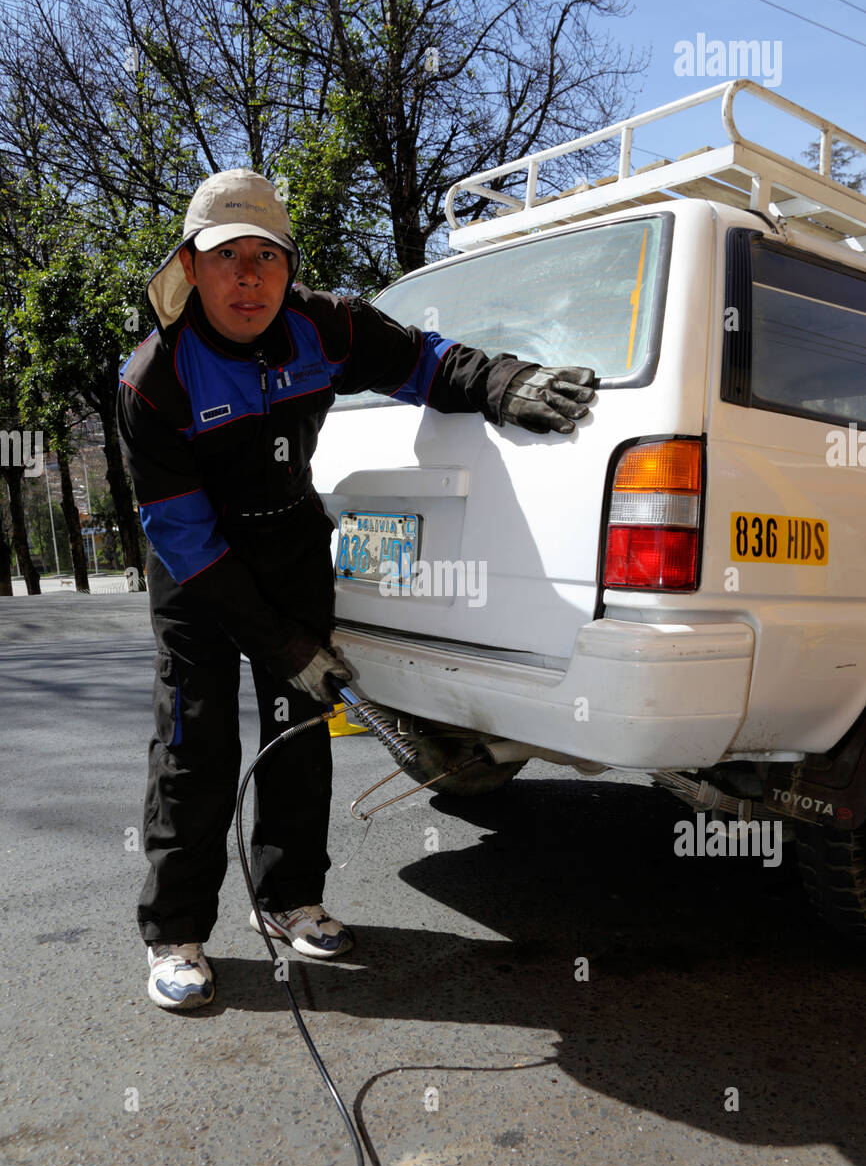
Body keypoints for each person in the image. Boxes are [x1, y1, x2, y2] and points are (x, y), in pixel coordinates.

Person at [117, 167, 596, 1012]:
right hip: (199, 576)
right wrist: (287, 645)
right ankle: (176, 931)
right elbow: (185, 538)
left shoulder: (325, 324)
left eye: (267, 256)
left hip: (291, 546)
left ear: (287, 265)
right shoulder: (155, 379)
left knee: (299, 734)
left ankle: (289, 897)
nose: (250, 278)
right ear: (190, 267)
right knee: (194, 748)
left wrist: (505, 384)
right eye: (227, 257)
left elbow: (427, 360)